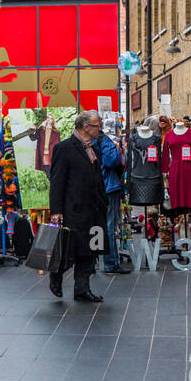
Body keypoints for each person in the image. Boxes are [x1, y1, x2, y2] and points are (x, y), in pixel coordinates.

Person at [47, 110, 108, 303]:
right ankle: (55, 276)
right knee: (71, 249)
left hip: (95, 208)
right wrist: (56, 210)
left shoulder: (94, 149)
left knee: (91, 249)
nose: (100, 129)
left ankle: (82, 288)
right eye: (97, 125)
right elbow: (57, 181)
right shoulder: (64, 148)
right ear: (85, 127)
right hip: (75, 208)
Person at [95, 127, 126, 273]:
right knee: (109, 226)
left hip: (91, 188)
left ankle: (94, 263)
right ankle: (110, 263)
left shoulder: (81, 141)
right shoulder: (103, 139)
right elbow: (112, 160)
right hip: (108, 186)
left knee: (95, 225)